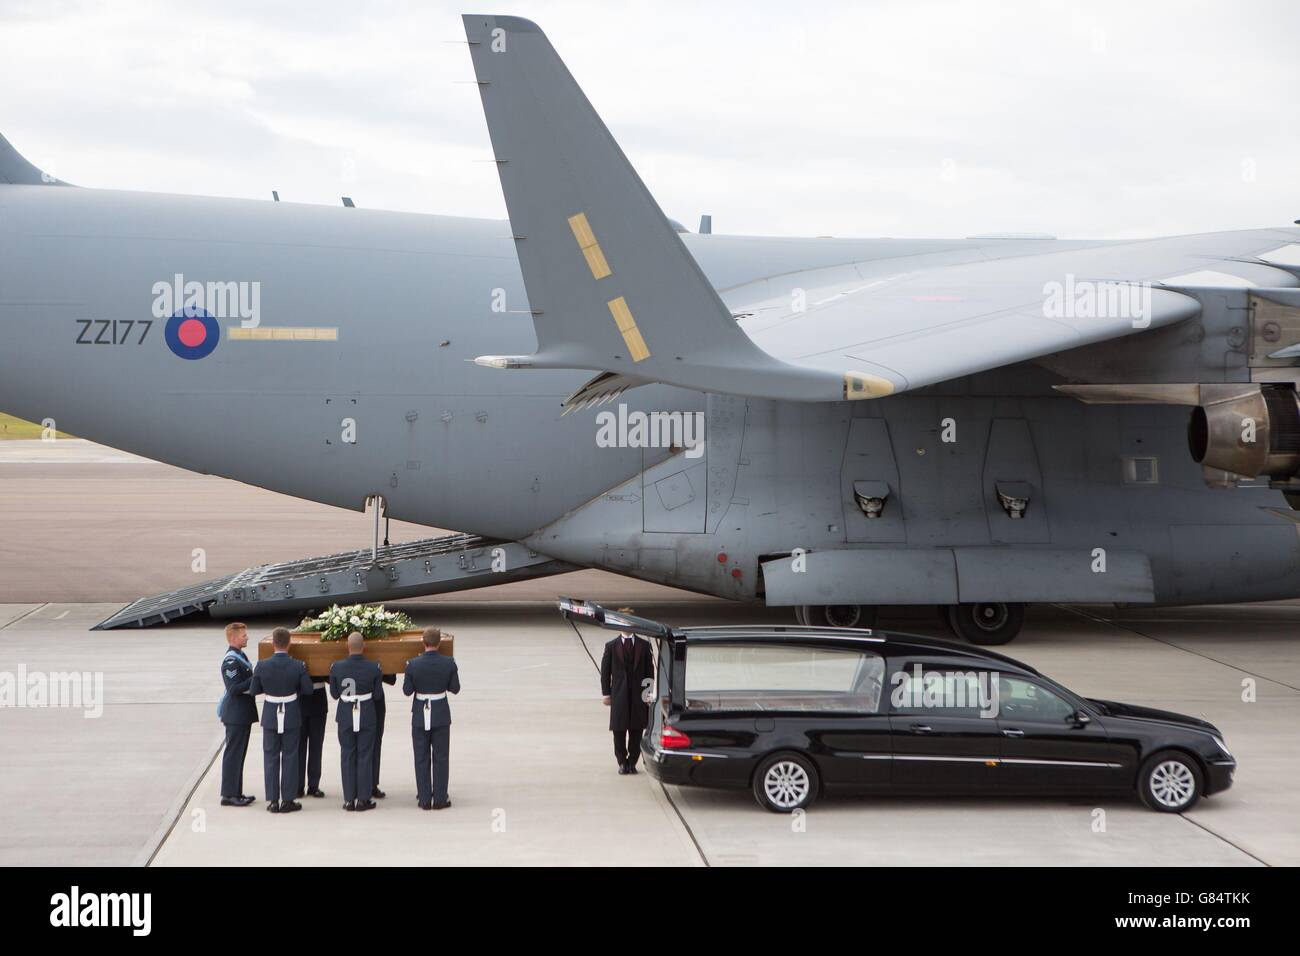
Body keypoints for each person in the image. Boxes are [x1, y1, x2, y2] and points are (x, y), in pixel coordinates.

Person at [249, 627, 313, 813]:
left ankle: (273, 800)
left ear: (273, 643)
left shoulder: (262, 665)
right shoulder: (298, 665)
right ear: (289, 643)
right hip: (291, 712)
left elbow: (254, 690)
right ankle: (288, 800)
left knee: (271, 757)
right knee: (290, 756)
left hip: (270, 713)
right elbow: (308, 689)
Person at [402, 627, 461, 810]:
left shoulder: (412, 664)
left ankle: (425, 798)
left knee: (421, 756)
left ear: (423, 642)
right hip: (440, 712)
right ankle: (441, 798)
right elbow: (455, 688)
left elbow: (407, 691)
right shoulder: (448, 662)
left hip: (420, 712)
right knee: (441, 756)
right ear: (439, 643)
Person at [329, 632, 384, 811]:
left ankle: (348, 799)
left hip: (345, 714)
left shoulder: (336, 667)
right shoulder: (373, 667)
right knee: (365, 755)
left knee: (347, 756)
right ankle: (363, 799)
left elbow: (335, 694)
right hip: (367, 714)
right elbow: (377, 695)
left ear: (347, 646)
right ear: (364, 647)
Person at [599, 609, 655, 774]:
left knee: (637, 729)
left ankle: (632, 761)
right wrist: (606, 693)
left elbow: (649, 672)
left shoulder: (644, 646)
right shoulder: (611, 646)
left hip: (639, 696)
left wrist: (648, 693)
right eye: (623, 623)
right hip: (619, 695)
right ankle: (622, 761)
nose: (626, 626)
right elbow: (605, 672)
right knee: (619, 729)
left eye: (629, 622)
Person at [217, 622, 256, 807]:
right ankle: (229, 795)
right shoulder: (231, 661)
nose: (246, 637)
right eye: (243, 635)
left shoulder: (240, 655)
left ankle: (236, 792)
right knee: (233, 754)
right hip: (236, 714)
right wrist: (255, 680)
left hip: (242, 713)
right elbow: (233, 688)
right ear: (233, 638)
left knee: (239, 754)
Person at [296, 676, 328, 800]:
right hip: (300, 701)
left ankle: (313, 785)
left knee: (316, 746)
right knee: (299, 747)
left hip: (318, 702)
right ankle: (298, 786)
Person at [372, 668, 397, 798]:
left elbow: (391, 679)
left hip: (376, 702)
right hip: (368, 701)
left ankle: (371, 784)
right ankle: (365, 784)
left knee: (375, 745)